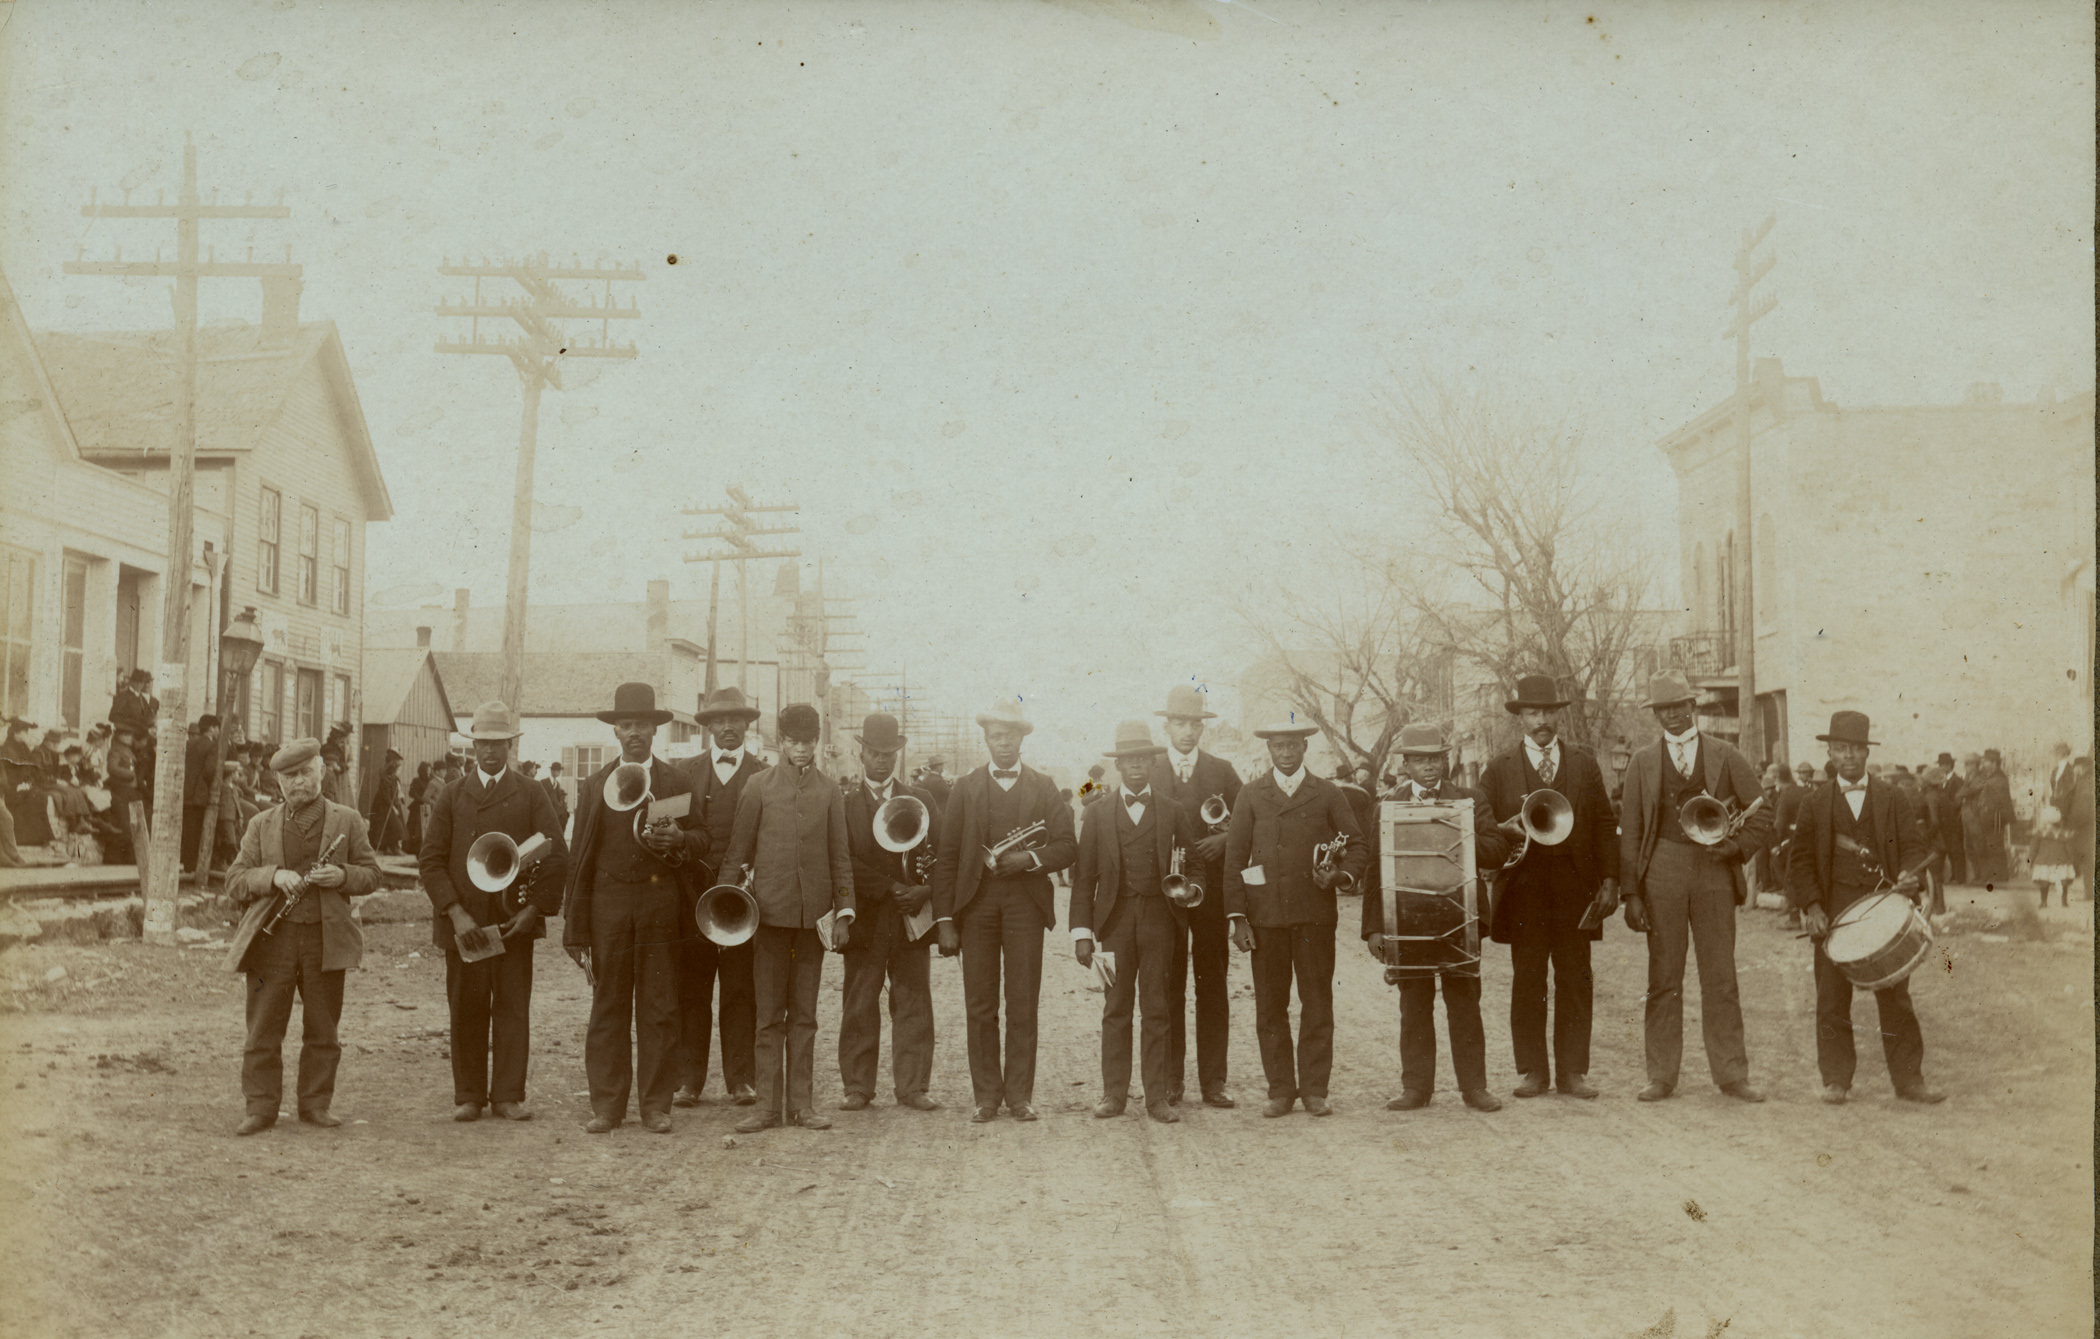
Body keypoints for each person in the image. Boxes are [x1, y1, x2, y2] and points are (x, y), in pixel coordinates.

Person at [1616, 672, 1774, 1104]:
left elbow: (1762, 811)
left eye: (1679, 706)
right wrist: (1631, 894)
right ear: (1655, 714)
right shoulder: (1642, 762)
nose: (1672, 715)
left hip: (1713, 871)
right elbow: (1629, 832)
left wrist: (1735, 849)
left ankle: (1731, 1074)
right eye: (1663, 709)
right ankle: (1661, 1075)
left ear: (1693, 705)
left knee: (1720, 976)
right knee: (1663, 976)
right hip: (1661, 869)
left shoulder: (1726, 754)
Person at [560, 683, 710, 1134]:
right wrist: (576, 925)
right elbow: (580, 857)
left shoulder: (678, 782)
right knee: (608, 1006)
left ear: (654, 729)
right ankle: (608, 1107)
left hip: (660, 905)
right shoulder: (592, 785)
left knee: (660, 1006)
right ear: (616, 731)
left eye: (642, 725)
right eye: (626, 725)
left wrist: (681, 840)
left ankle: (655, 1106)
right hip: (608, 907)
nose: (634, 733)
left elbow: (705, 841)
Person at [222, 738, 384, 1135]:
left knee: (323, 1026)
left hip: (325, 941)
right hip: (270, 942)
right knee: (262, 1027)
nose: (298, 782)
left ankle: (315, 1104)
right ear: (277, 780)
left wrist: (342, 875)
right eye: (289, 776)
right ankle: (261, 1108)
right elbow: (234, 880)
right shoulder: (260, 824)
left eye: (306, 773)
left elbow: (373, 874)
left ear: (322, 772)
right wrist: (273, 876)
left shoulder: (347, 820)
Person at [419, 702, 571, 1123]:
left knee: (511, 1006)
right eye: (483, 743)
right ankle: (469, 1095)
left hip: (511, 923)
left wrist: (536, 909)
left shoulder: (531, 791)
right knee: (466, 1006)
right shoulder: (452, 794)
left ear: (510, 746)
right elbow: (430, 860)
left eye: (498, 744)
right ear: (474, 746)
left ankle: (507, 1094)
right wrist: (454, 912)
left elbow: (557, 853)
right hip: (464, 923)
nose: (490, 751)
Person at [929, 696, 1078, 1123]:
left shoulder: (1044, 786)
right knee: (979, 1004)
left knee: (1023, 1002)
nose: (1004, 744)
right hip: (976, 905)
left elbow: (1068, 845)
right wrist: (944, 921)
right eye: (996, 737)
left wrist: (1029, 860)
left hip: (1025, 905)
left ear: (1021, 738)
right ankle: (986, 1097)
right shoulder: (966, 787)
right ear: (987, 739)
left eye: (1010, 736)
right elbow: (948, 856)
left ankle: (1019, 1097)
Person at [1785, 711, 1944, 1105]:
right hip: (1834, 910)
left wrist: (1909, 873)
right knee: (1831, 998)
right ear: (1830, 752)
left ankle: (1909, 1081)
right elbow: (1800, 859)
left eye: (1856, 749)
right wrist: (1812, 906)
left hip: (1884, 904)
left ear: (1866, 752)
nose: (1849, 757)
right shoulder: (1815, 802)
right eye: (1840, 749)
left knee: (1895, 998)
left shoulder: (1894, 798)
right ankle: (1836, 1080)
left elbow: (1913, 845)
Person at [1479, 674, 1620, 1100]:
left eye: (1548, 712)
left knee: (1576, 977)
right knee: (1529, 979)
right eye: (1533, 712)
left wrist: (1611, 880)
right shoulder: (1498, 767)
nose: (1541, 720)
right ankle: (1533, 1072)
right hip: (1524, 889)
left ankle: (1573, 1072)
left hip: (1575, 886)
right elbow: (1480, 819)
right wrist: (1501, 831)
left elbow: (1602, 823)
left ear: (1558, 715)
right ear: (1520, 716)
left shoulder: (1583, 761)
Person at [1223, 717, 1368, 1118]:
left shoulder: (1328, 793)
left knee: (1317, 1002)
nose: (1285, 753)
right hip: (1265, 918)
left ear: (1306, 747)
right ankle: (1281, 1090)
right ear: (1268, 750)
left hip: (1314, 917)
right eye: (1277, 747)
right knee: (1270, 1006)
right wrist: (1238, 918)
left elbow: (1357, 845)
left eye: (1292, 746)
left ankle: (1315, 1090)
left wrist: (1340, 875)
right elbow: (1235, 858)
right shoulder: (1251, 794)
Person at [718, 704, 854, 1133]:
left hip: (814, 921)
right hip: (768, 919)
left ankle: (803, 1105)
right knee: (767, 1015)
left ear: (817, 741)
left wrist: (844, 912)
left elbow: (840, 856)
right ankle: (766, 1108)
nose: (800, 749)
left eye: (807, 741)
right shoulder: (757, 786)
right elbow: (737, 852)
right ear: (781, 740)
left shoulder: (831, 791)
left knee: (806, 1016)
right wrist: (722, 912)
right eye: (793, 741)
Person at [1360, 722, 1509, 1112]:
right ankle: (1416, 1088)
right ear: (1405, 764)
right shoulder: (1387, 806)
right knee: (1414, 1004)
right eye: (1420, 759)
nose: (1429, 766)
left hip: (1459, 915)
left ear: (1446, 760)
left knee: (1464, 1003)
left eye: (1436, 758)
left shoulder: (1470, 799)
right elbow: (1375, 871)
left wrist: (1456, 833)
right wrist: (1375, 928)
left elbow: (1496, 849)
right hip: (1407, 917)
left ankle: (1474, 1088)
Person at [1072, 720, 1200, 1123]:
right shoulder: (1096, 813)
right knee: (1115, 1007)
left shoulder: (1173, 810)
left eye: (1143, 759)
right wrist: (1082, 933)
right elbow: (1083, 878)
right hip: (1113, 922)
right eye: (1129, 761)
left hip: (1161, 920)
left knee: (1158, 1007)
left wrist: (1190, 888)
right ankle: (1113, 1095)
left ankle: (1157, 1097)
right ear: (1118, 766)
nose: (1136, 767)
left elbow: (1194, 864)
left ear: (1152, 762)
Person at [836, 712, 941, 1113]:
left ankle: (913, 1087)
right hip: (866, 915)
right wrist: (887, 887)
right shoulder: (845, 803)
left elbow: (942, 852)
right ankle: (858, 1087)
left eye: (889, 753)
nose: (882, 761)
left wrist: (924, 890)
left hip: (910, 914)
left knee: (913, 998)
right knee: (860, 1000)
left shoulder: (922, 799)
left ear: (898, 754)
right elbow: (842, 858)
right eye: (875, 753)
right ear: (861, 753)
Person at [1150, 682, 1245, 1108]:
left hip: (1211, 895)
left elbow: (1248, 820)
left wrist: (1224, 842)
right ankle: (1171, 1080)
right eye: (1180, 723)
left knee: (1212, 986)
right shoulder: (1144, 767)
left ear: (1202, 728)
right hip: (1162, 894)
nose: (1187, 732)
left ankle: (1214, 1083)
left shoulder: (1223, 770)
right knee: (1167, 985)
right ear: (1167, 726)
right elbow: (1096, 799)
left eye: (1194, 724)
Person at [675, 685, 767, 1108]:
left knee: (740, 990)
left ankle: (741, 1079)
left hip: (743, 901)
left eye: (736, 720)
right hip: (693, 896)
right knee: (691, 990)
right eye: (720, 720)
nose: (728, 727)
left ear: (748, 725)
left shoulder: (767, 774)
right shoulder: (683, 773)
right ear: (709, 725)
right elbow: (669, 831)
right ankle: (688, 1080)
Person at [2031, 742, 2079, 907]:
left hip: (2064, 809)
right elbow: (2053, 788)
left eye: (2058, 752)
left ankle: (2059, 896)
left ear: (2064, 753)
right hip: (2055, 806)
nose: (2056, 754)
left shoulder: (2070, 770)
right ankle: (2056, 897)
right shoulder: (2055, 769)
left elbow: (2069, 791)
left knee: (2061, 838)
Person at [1959, 751, 2013, 884]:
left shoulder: (1997, 778)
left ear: (1994, 763)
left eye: (1986, 762)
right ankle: (1997, 875)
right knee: (1991, 845)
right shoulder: (1992, 776)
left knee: (1994, 846)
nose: (1984, 764)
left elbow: (1995, 799)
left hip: (1994, 817)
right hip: (1990, 817)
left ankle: (2000, 875)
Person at [180, 715, 222, 872]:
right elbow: (209, 771)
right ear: (211, 728)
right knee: (196, 831)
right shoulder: (212, 746)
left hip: (186, 792)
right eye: (217, 728)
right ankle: (192, 867)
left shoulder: (189, 743)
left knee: (188, 830)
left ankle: (187, 865)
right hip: (200, 794)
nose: (218, 731)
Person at [1932, 753, 1967, 883]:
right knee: (1949, 848)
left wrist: (1946, 809)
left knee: (1956, 850)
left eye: (1942, 765)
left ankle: (1959, 877)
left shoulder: (1957, 781)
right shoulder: (1943, 781)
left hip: (1954, 821)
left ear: (1948, 765)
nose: (1940, 767)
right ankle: (1954, 875)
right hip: (1945, 822)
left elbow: (1958, 801)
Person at [368, 749, 406, 855]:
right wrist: (392, 807)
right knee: (392, 825)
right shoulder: (385, 777)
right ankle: (389, 847)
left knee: (396, 824)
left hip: (393, 803)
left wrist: (400, 797)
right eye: (399, 768)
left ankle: (392, 847)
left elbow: (397, 790)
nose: (400, 771)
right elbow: (385, 794)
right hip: (384, 804)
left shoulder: (395, 779)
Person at [405, 761, 432, 854]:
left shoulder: (430, 781)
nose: (428, 773)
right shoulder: (416, 780)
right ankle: (412, 848)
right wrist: (421, 799)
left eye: (429, 770)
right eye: (427, 770)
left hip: (427, 807)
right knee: (415, 827)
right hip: (417, 807)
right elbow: (412, 793)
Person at [542, 760, 571, 833]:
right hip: (547, 813)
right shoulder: (544, 782)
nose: (558, 772)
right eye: (557, 770)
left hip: (557, 814)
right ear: (552, 770)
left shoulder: (557, 783)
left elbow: (559, 799)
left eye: (559, 770)